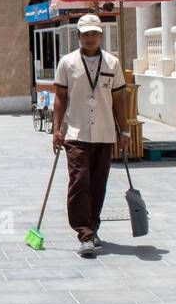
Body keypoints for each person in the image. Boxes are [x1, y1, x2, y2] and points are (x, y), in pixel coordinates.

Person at [51, 14, 130, 258]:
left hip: (105, 132)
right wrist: (56, 129)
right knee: (79, 180)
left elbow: (119, 98)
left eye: (94, 34)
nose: (90, 38)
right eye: (85, 34)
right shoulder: (67, 63)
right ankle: (84, 234)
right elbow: (60, 98)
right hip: (76, 132)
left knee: (98, 183)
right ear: (78, 36)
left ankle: (93, 226)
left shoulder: (112, 64)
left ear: (101, 35)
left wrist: (124, 129)